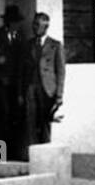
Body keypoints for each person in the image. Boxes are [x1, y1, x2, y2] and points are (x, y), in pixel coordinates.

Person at [0, 5, 28, 159]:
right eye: (13, 22)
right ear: (8, 22)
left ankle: (13, 155)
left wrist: (20, 90)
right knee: (1, 118)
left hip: (15, 86)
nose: (16, 25)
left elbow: (21, 64)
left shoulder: (20, 37)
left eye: (17, 22)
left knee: (14, 118)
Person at [21, 11, 65, 147]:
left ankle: (45, 153)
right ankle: (33, 153)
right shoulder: (28, 44)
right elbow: (22, 71)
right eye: (33, 24)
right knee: (30, 123)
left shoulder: (55, 45)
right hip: (30, 89)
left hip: (47, 90)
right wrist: (20, 92)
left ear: (46, 27)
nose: (34, 27)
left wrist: (59, 95)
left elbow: (61, 72)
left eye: (37, 25)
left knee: (45, 123)